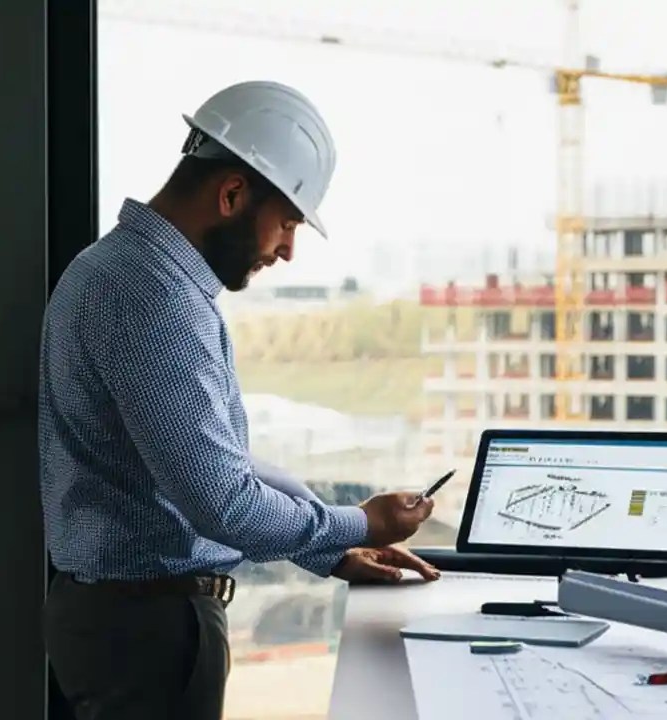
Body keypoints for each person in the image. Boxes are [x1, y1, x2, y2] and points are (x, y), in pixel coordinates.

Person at [38, 80, 439, 720]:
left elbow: (222, 468)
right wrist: (362, 522)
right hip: (150, 631)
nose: (285, 249)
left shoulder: (118, 270)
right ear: (231, 194)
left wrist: (329, 548)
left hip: (125, 620)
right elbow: (223, 504)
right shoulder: (154, 300)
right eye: (286, 223)